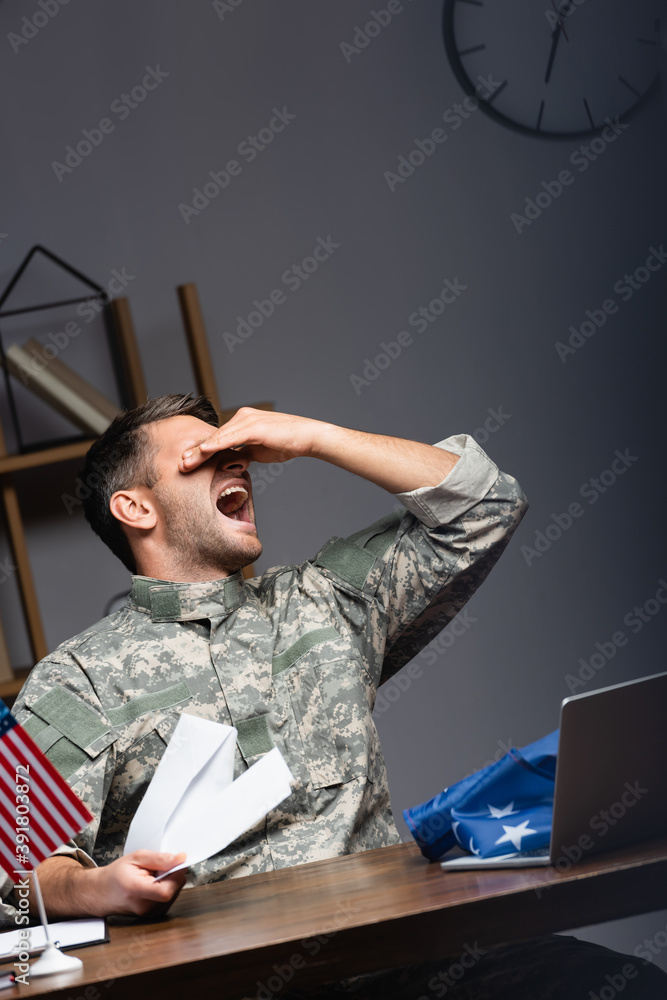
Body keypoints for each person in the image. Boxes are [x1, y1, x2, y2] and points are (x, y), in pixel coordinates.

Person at [2, 394, 664, 998]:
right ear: (135, 507)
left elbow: (484, 503)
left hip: (421, 959)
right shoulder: (74, 680)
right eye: (202, 457)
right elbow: (14, 874)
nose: (237, 464)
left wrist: (312, 436)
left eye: (239, 454)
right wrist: (96, 887)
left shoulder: (329, 599)